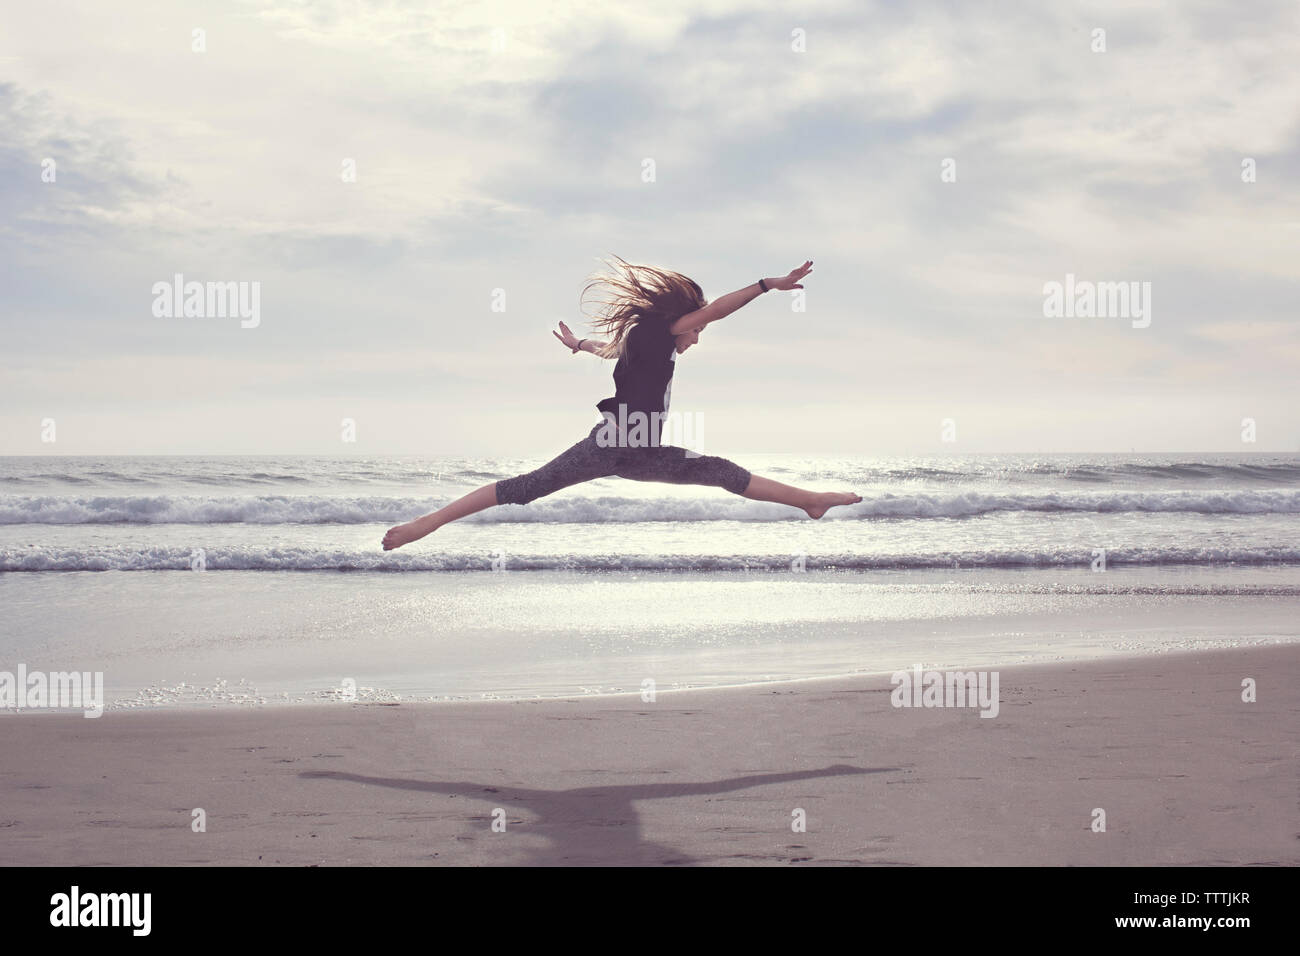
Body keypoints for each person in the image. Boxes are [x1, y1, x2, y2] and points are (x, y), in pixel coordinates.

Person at [382, 256, 860, 551]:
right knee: (526, 487)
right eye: (697, 329)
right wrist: (766, 286)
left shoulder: (644, 343)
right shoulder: (658, 332)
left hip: (637, 452)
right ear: (680, 320)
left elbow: (611, 350)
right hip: (615, 446)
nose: (699, 336)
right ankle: (428, 523)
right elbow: (714, 310)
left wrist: (580, 346)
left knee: (721, 473)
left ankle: (809, 503)